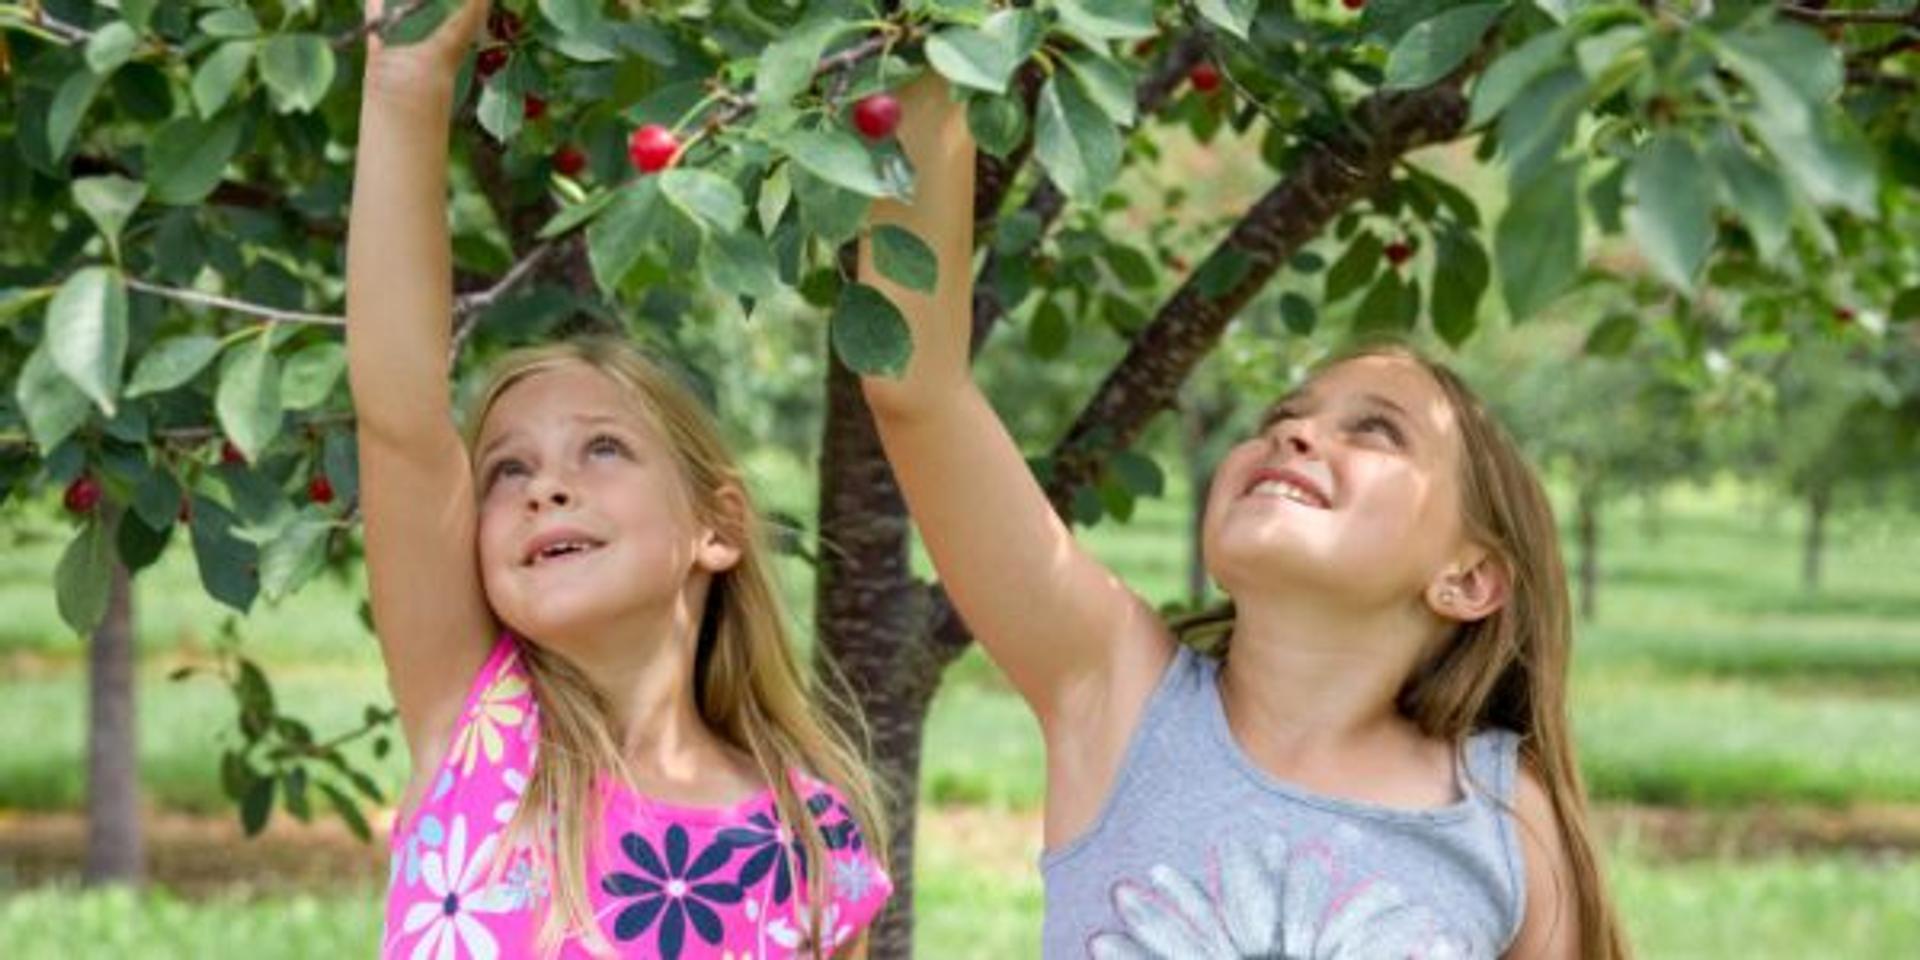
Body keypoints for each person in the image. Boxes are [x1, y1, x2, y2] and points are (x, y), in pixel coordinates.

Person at [859, 75, 1627, 958]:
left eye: (1375, 431)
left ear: (1470, 577)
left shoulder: (1498, 816)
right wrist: (931, 55)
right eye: (1280, 418)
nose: (1297, 432)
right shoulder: (1117, 694)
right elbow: (914, 385)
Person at [348, 3, 889, 955]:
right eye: (506, 467)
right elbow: (398, 421)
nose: (543, 487)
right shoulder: (481, 728)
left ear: (715, 526)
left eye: (602, 448)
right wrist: (405, 82)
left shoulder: (810, 844)